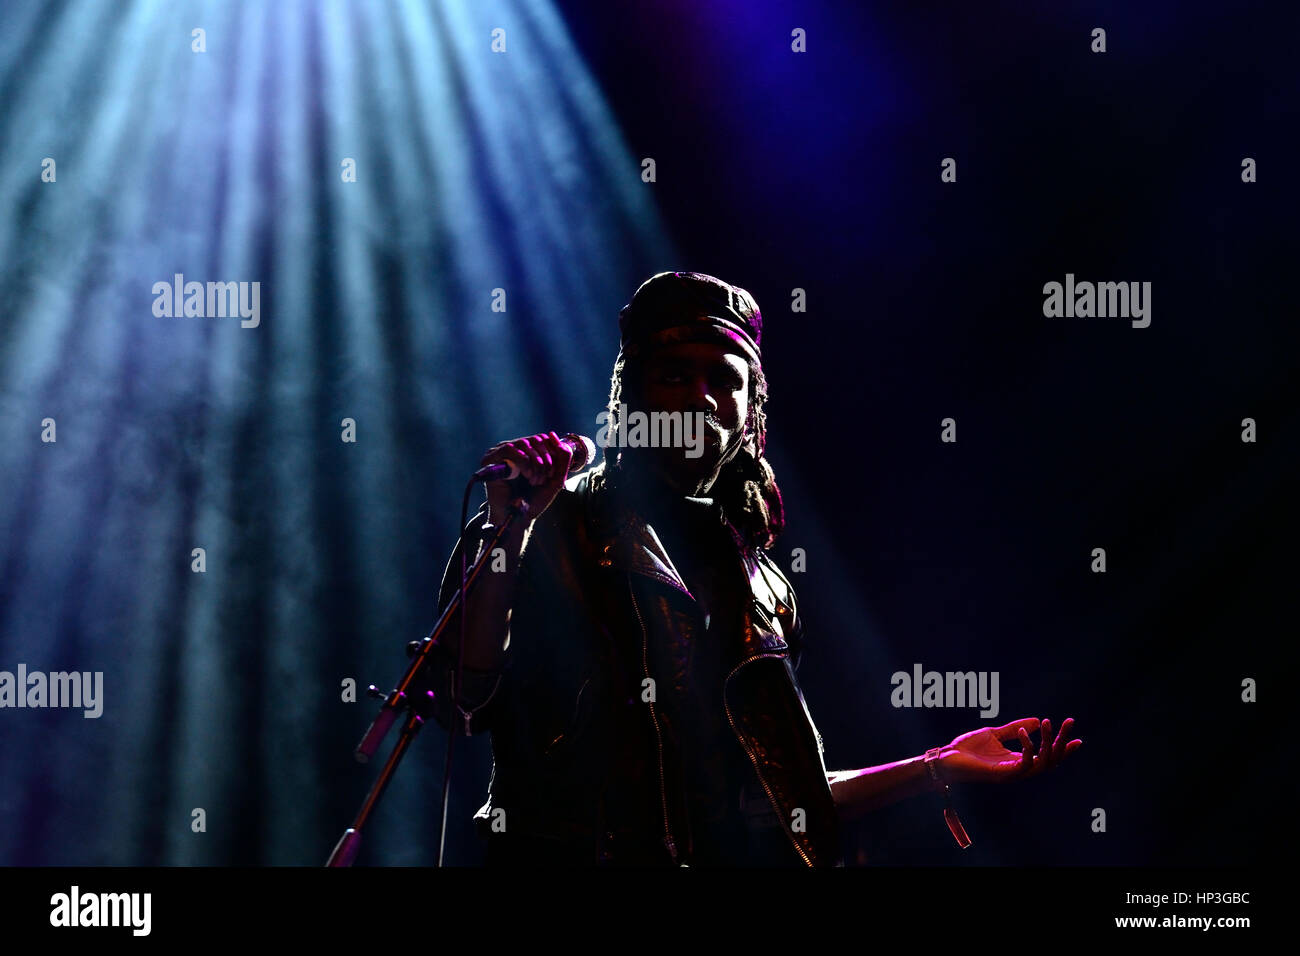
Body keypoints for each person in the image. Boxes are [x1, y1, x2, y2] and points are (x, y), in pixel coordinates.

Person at [426, 271, 1081, 867]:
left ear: (752, 406)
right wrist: (505, 530)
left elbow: (779, 796)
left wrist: (941, 764)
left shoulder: (761, 584)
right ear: (632, 393)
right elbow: (459, 698)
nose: (701, 398)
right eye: (675, 374)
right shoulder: (552, 520)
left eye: (725, 376)